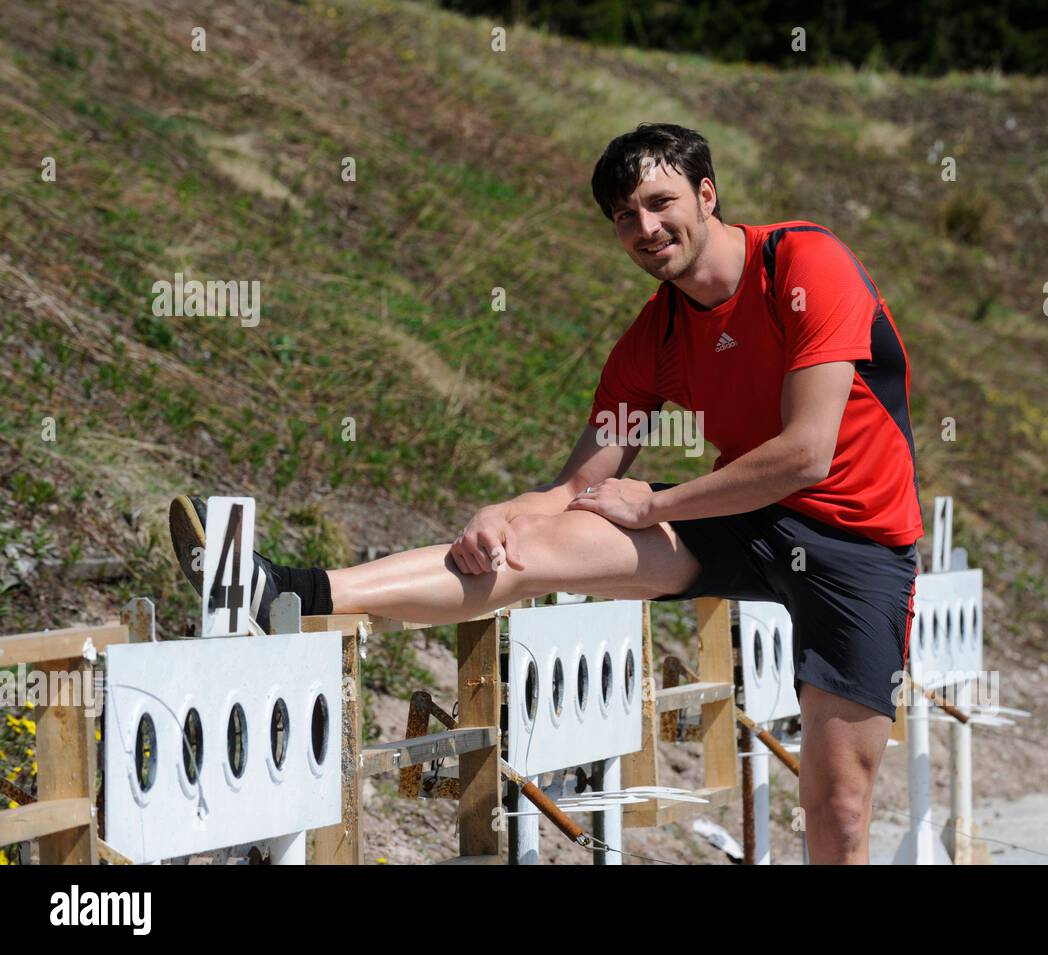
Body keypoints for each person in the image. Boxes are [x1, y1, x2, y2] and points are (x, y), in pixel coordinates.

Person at [170, 122, 923, 864]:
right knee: (526, 548)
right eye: (625, 218)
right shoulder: (654, 339)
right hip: (739, 516)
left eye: (660, 204)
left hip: (857, 540)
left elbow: (805, 453)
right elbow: (577, 485)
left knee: (838, 810)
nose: (646, 229)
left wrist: (657, 504)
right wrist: (504, 514)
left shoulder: (802, 262)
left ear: (706, 193)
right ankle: (288, 592)